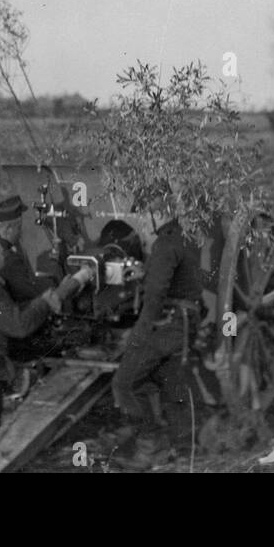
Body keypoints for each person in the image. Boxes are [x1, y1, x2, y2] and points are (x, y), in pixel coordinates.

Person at [0, 229, 92, 462]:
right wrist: (55, 296)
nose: (6, 256)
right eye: (2, 253)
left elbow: (11, 312)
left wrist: (50, 295)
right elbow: (19, 325)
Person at [111, 198, 203, 466]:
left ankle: (151, 445)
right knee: (170, 381)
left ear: (159, 212)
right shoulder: (182, 237)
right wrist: (146, 272)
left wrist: (137, 335)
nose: (141, 221)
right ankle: (183, 450)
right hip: (184, 323)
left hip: (169, 325)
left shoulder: (164, 244)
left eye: (143, 214)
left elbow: (154, 299)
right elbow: (175, 279)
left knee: (124, 384)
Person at [0, 193, 58, 303]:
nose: (20, 232)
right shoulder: (8, 257)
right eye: (18, 227)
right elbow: (29, 291)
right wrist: (57, 285)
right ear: (8, 229)